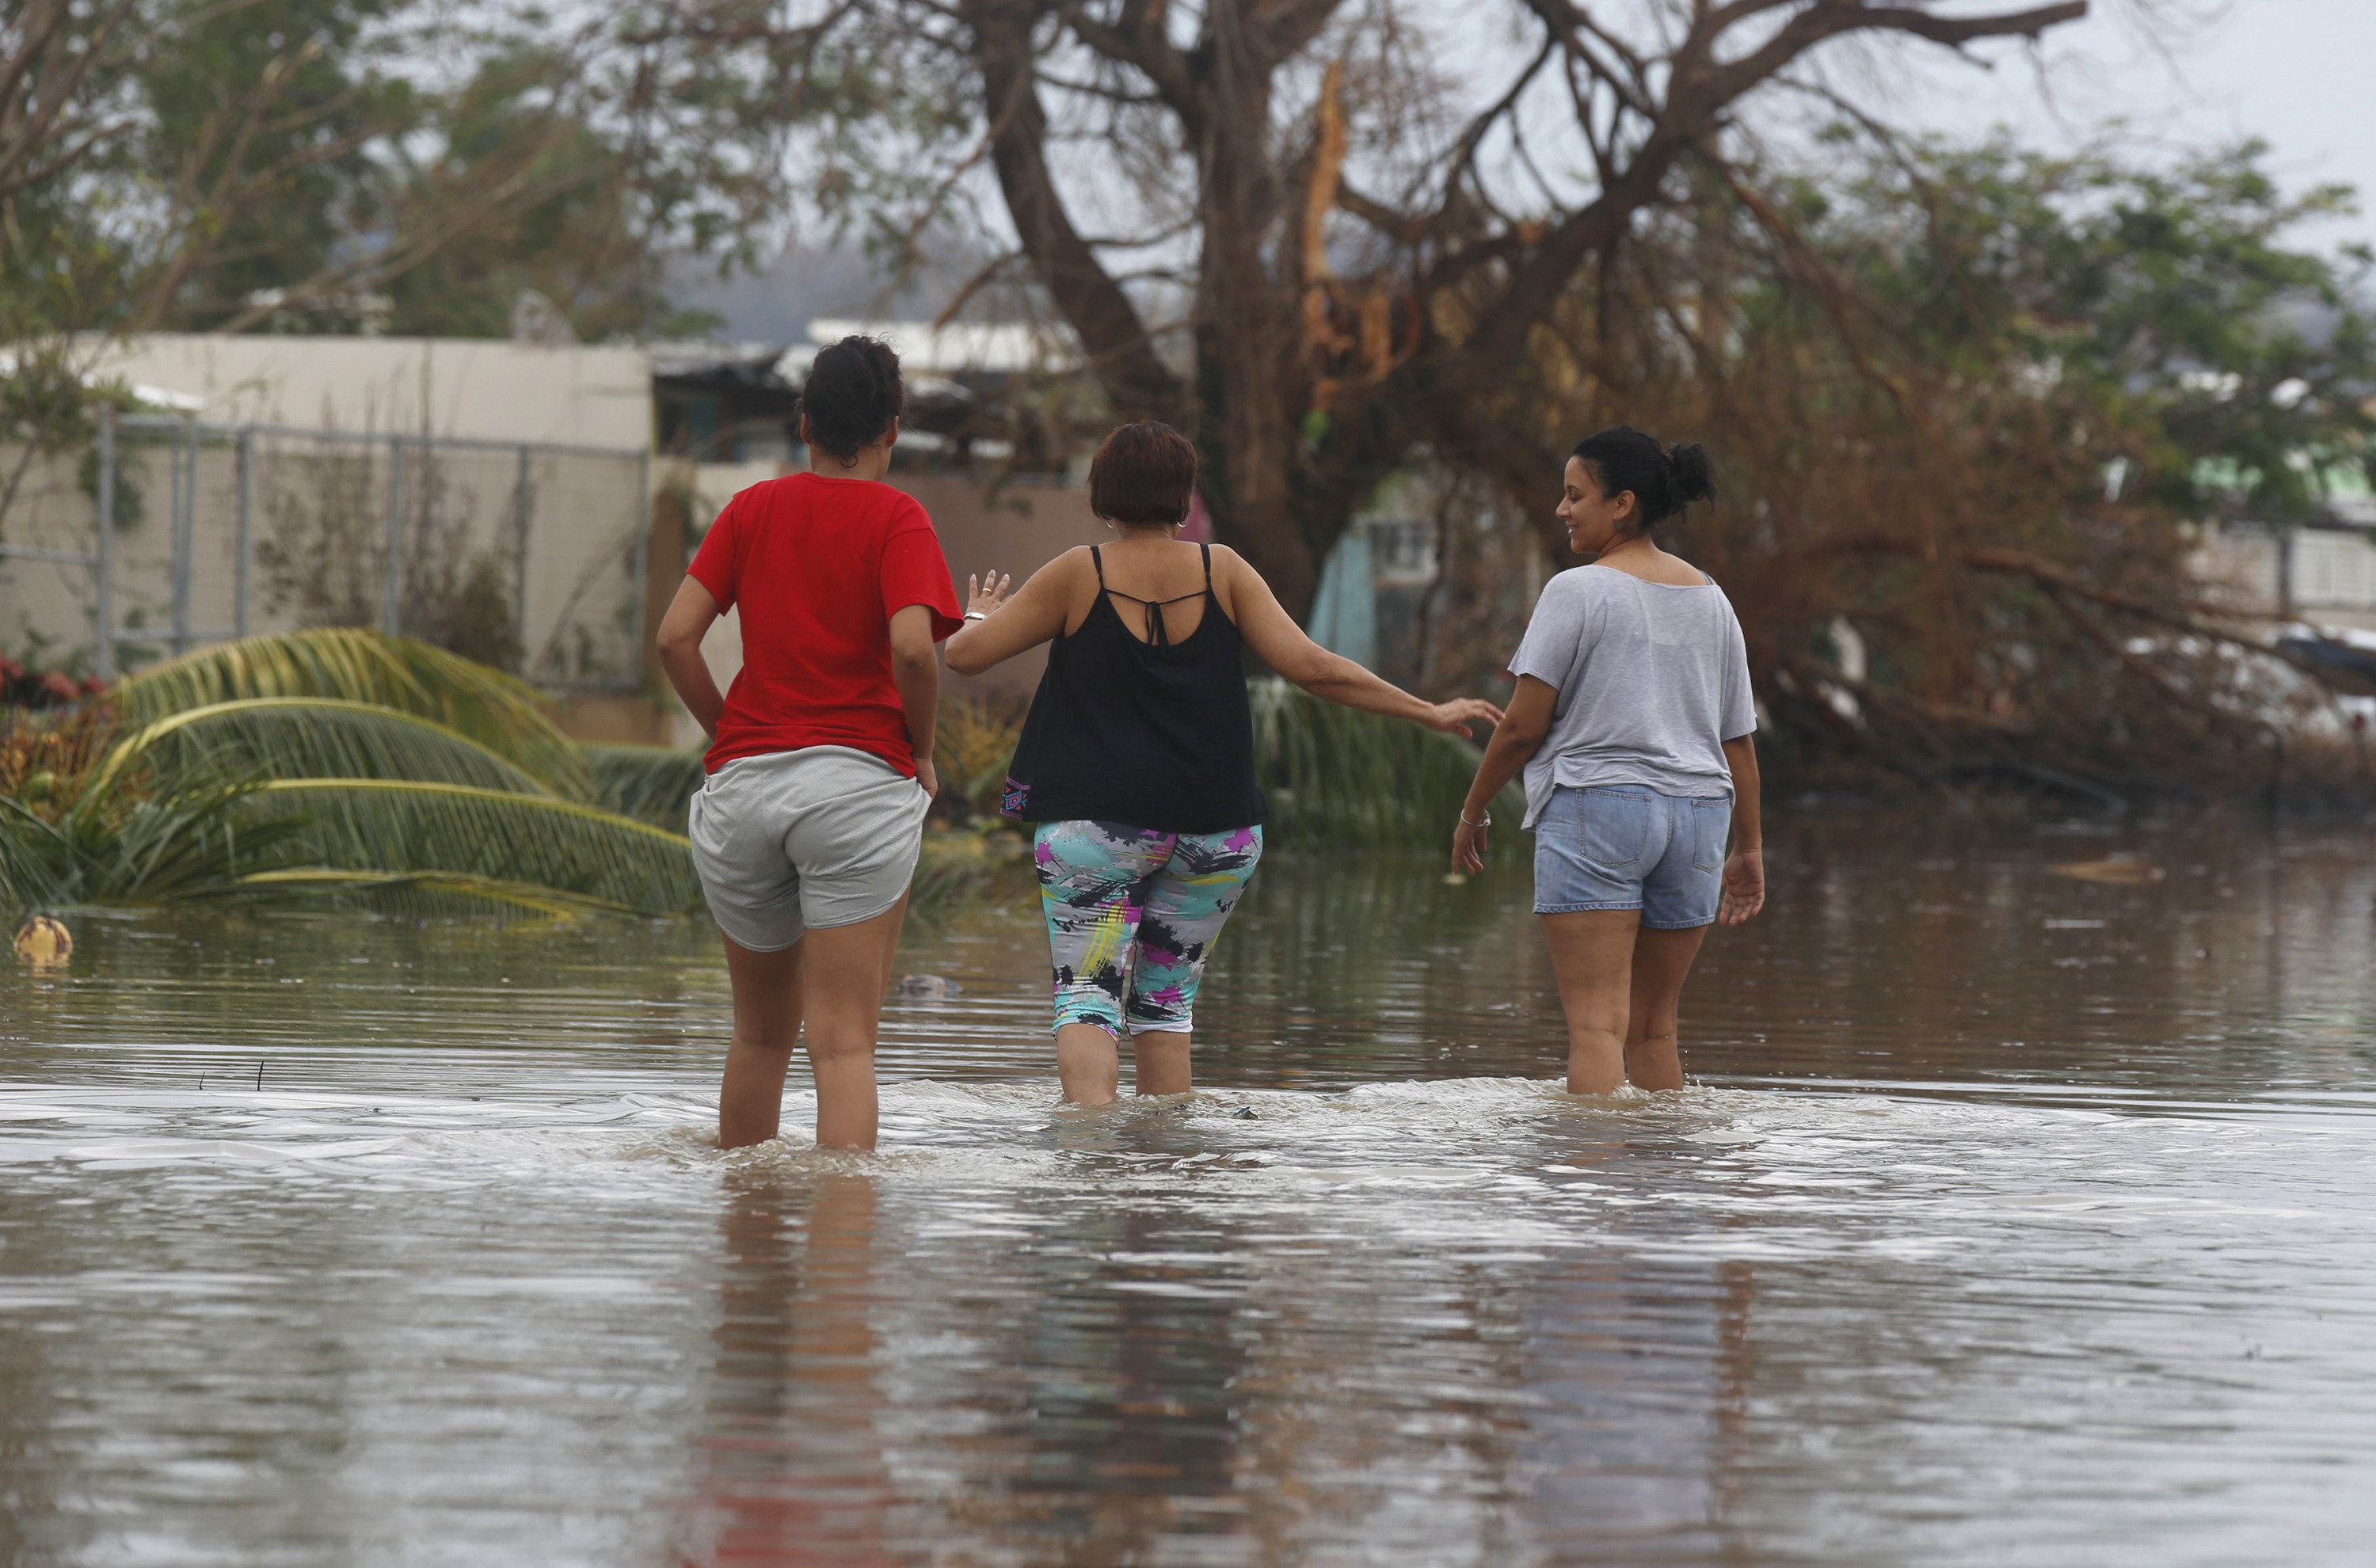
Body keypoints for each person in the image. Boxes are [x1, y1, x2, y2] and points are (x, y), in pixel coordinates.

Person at [946, 421, 1503, 1105]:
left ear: (1104, 495)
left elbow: (964, 658)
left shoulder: (1077, 572)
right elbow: (1314, 668)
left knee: (1088, 999)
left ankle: (1089, 1176)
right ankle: (1166, 1168)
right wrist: (1430, 711)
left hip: (1095, 835)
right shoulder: (1225, 570)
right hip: (1216, 835)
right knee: (1166, 1004)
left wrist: (977, 617)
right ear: (1184, 498)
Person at [656, 335, 961, 1151]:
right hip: (857, 790)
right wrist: (923, 751)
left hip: (743, 792)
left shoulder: (752, 509)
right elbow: (910, 649)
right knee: (843, 1041)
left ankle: (747, 1243)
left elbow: (675, 641)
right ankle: (840, 1265)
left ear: (803, 425)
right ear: (892, 429)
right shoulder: (899, 517)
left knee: (760, 1036)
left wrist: (733, 737)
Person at [1452, 427, 1765, 1095]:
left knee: (1596, 1028)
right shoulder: (1714, 599)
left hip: (1600, 806)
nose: (1562, 510)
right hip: (1702, 817)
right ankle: (1662, 1193)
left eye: (1575, 496)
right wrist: (1751, 848)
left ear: (1621, 504)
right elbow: (1738, 739)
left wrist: (1474, 810)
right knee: (1656, 1029)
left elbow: (1519, 729)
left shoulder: (1579, 591)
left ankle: (1592, 1191)